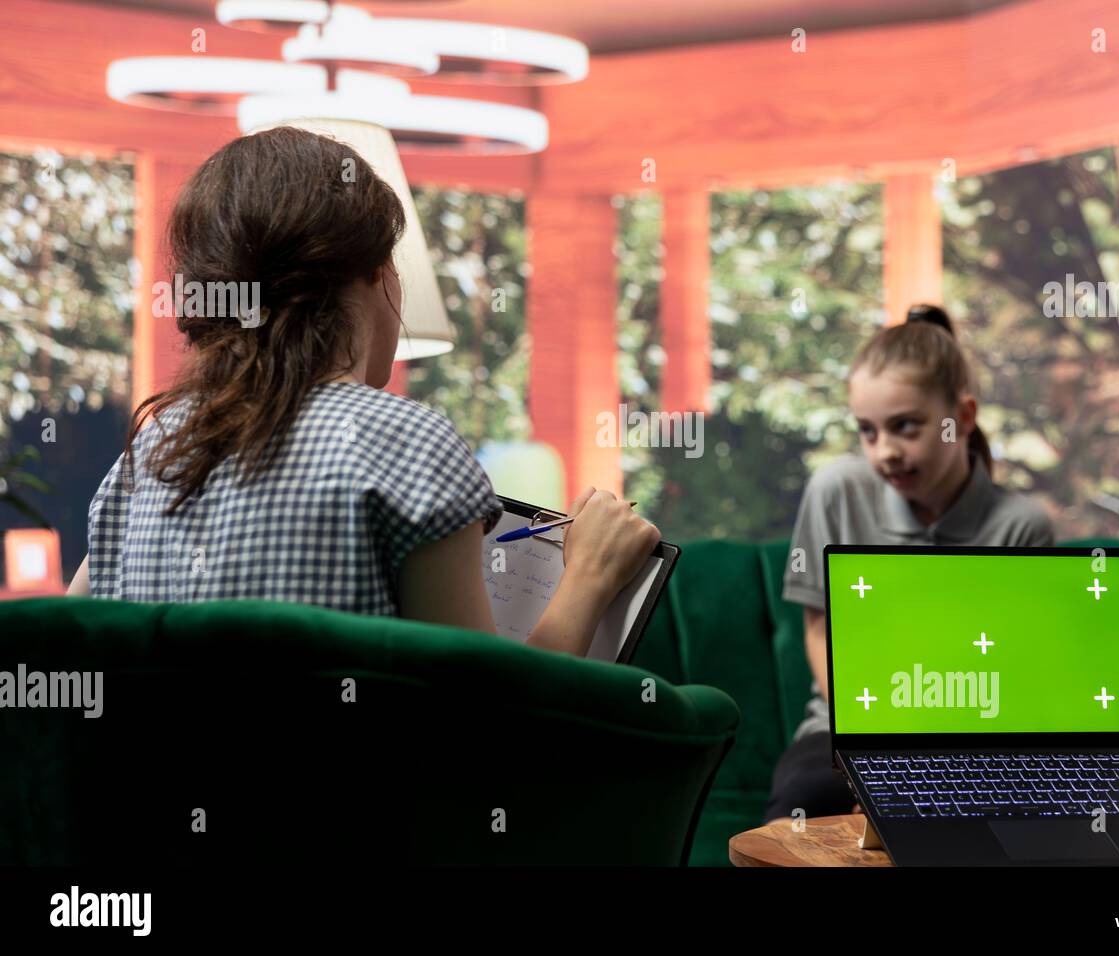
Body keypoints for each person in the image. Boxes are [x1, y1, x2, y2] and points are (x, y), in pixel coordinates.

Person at [65, 126, 659, 657]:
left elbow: (70, 645)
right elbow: (486, 723)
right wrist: (589, 578)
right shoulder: (408, 443)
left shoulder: (146, 456)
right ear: (377, 273)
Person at [764, 304, 1054, 821]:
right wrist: (877, 743)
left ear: (962, 418)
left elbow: (1014, 670)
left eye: (905, 427)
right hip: (846, 730)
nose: (885, 452)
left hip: (974, 739)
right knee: (804, 797)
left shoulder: (1022, 524)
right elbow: (818, 630)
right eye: (868, 431)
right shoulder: (835, 491)